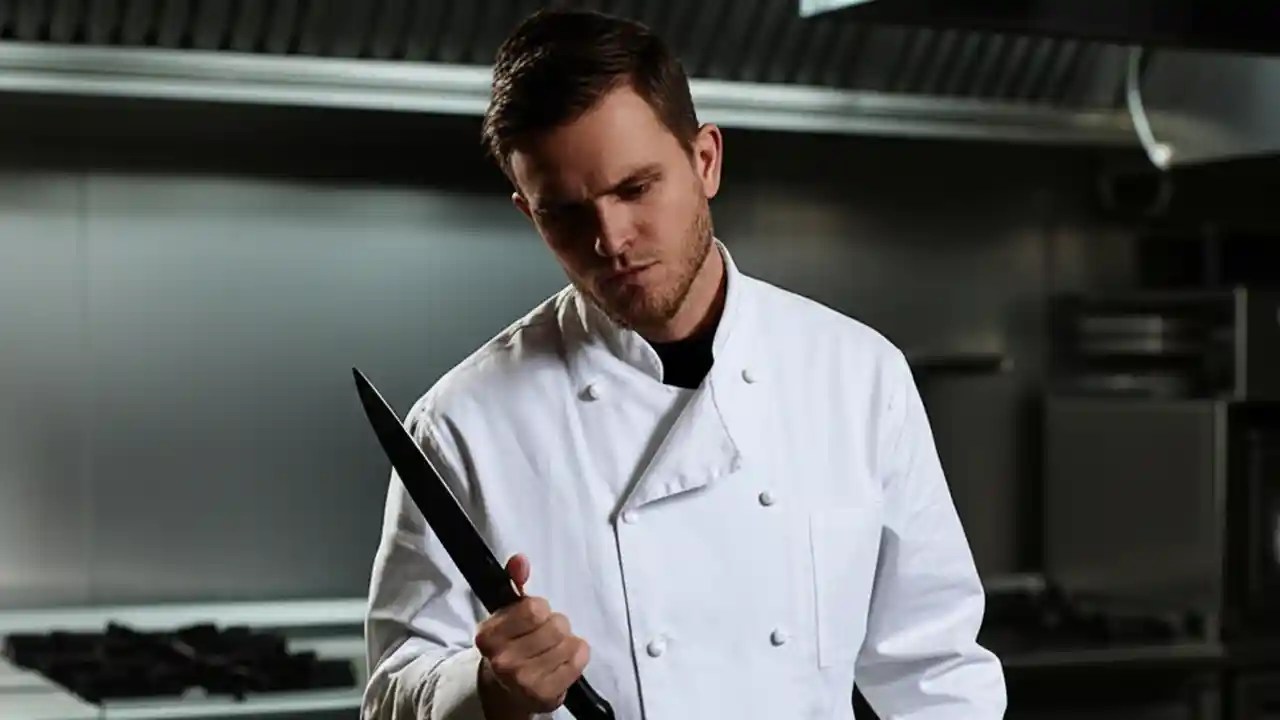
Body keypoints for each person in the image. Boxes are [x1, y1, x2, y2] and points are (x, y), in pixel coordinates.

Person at [361, 8, 1006, 720]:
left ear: (706, 161)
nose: (610, 239)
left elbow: (937, 673)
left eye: (635, 189)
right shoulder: (465, 422)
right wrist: (487, 689)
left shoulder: (857, 378)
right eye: (565, 214)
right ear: (526, 212)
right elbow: (391, 693)